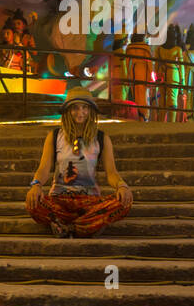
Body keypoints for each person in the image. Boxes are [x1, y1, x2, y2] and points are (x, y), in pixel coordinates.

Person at [25, 88, 133, 238]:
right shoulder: (55, 136)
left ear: (90, 111)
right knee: (33, 202)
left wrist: (122, 186)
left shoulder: (101, 138)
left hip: (90, 201)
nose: (80, 112)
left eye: (85, 107)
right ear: (68, 110)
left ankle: (66, 226)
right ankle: (87, 226)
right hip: (60, 199)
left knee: (123, 203)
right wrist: (36, 185)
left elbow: (111, 173)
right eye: (75, 107)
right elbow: (43, 168)